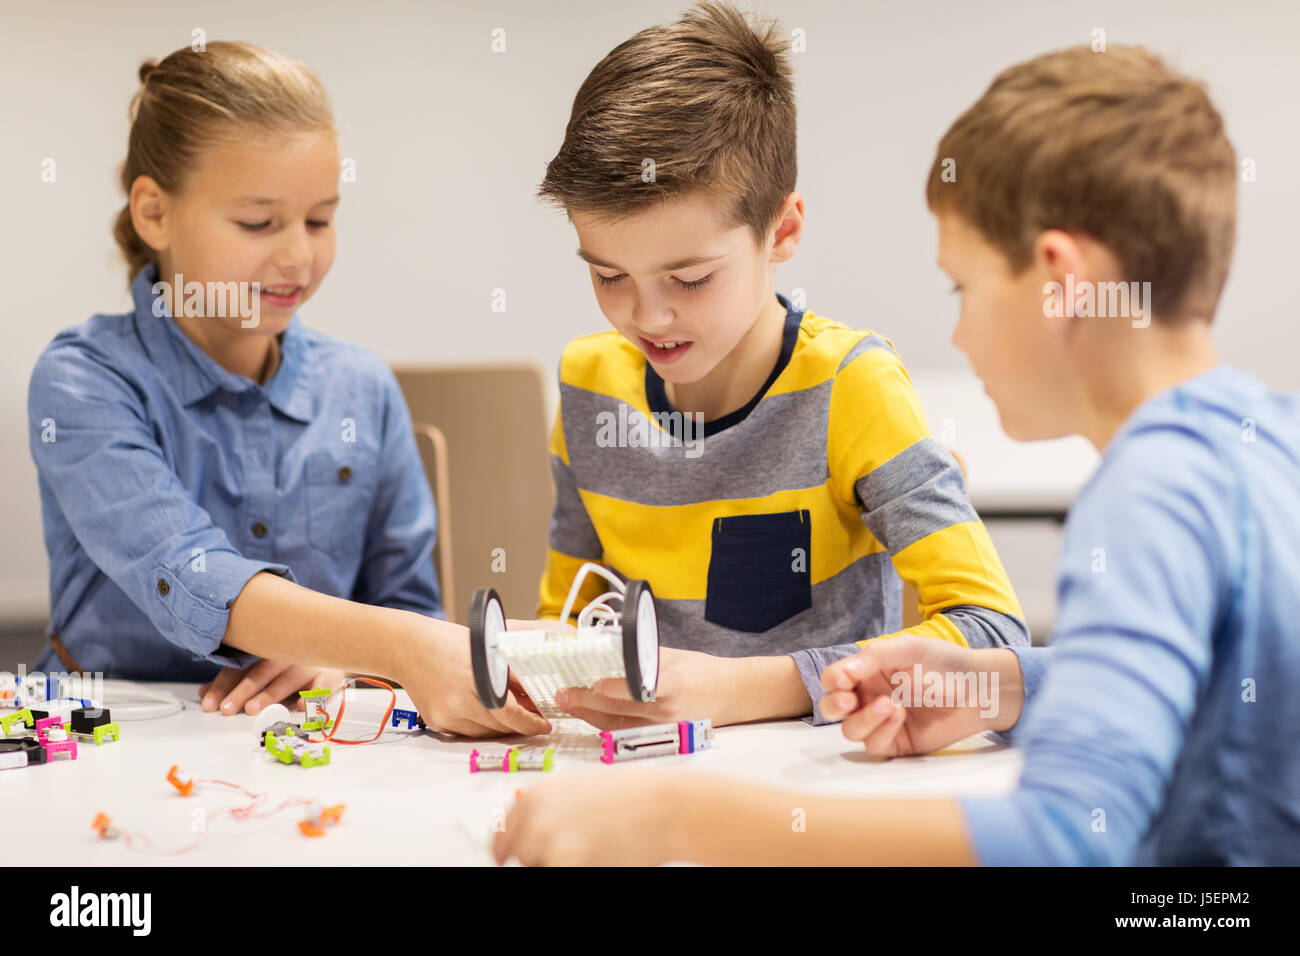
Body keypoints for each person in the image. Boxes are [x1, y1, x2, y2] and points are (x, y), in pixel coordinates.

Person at [493, 44, 1300, 865]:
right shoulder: (1268, 447)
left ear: (1060, 279)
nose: (954, 332)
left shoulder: (1149, 492)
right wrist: (997, 686)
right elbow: (1187, 696)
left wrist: (686, 818)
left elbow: (1066, 840)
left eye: (962, 288)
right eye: (608, 275)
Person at [27, 42, 547, 738]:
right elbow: (190, 573)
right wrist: (400, 648)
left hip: (296, 743)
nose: (298, 255)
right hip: (106, 734)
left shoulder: (361, 388)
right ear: (154, 213)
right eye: (257, 223)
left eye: (320, 219)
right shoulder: (83, 379)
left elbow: (405, 606)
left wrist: (344, 670)